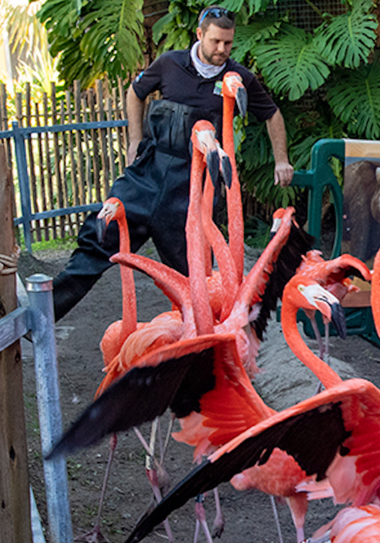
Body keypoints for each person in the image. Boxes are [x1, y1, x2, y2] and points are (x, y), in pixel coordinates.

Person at [52, 6, 293, 321]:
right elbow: (135, 93)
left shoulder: (237, 77)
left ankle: (199, 352)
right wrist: (134, 141)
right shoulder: (168, 64)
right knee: (98, 238)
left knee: (195, 281)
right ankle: (40, 316)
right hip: (148, 173)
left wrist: (281, 160)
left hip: (193, 188)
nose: (222, 50)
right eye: (216, 41)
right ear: (200, 35)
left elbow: (272, 113)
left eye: (228, 44)